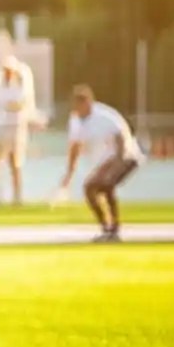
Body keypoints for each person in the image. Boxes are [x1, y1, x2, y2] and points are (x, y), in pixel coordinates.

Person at [60, 85, 144, 242]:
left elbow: (122, 140)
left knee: (106, 184)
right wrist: (69, 173)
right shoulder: (75, 120)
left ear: (89, 103)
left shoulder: (104, 116)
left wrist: (117, 166)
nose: (79, 109)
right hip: (107, 159)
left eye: (82, 105)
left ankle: (114, 228)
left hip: (127, 155)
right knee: (89, 188)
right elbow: (75, 147)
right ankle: (106, 228)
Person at [0, 55, 35, 205]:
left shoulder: (19, 86)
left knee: (14, 163)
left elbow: (18, 103)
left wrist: (8, 104)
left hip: (15, 128)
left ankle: (17, 196)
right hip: (1, 127)